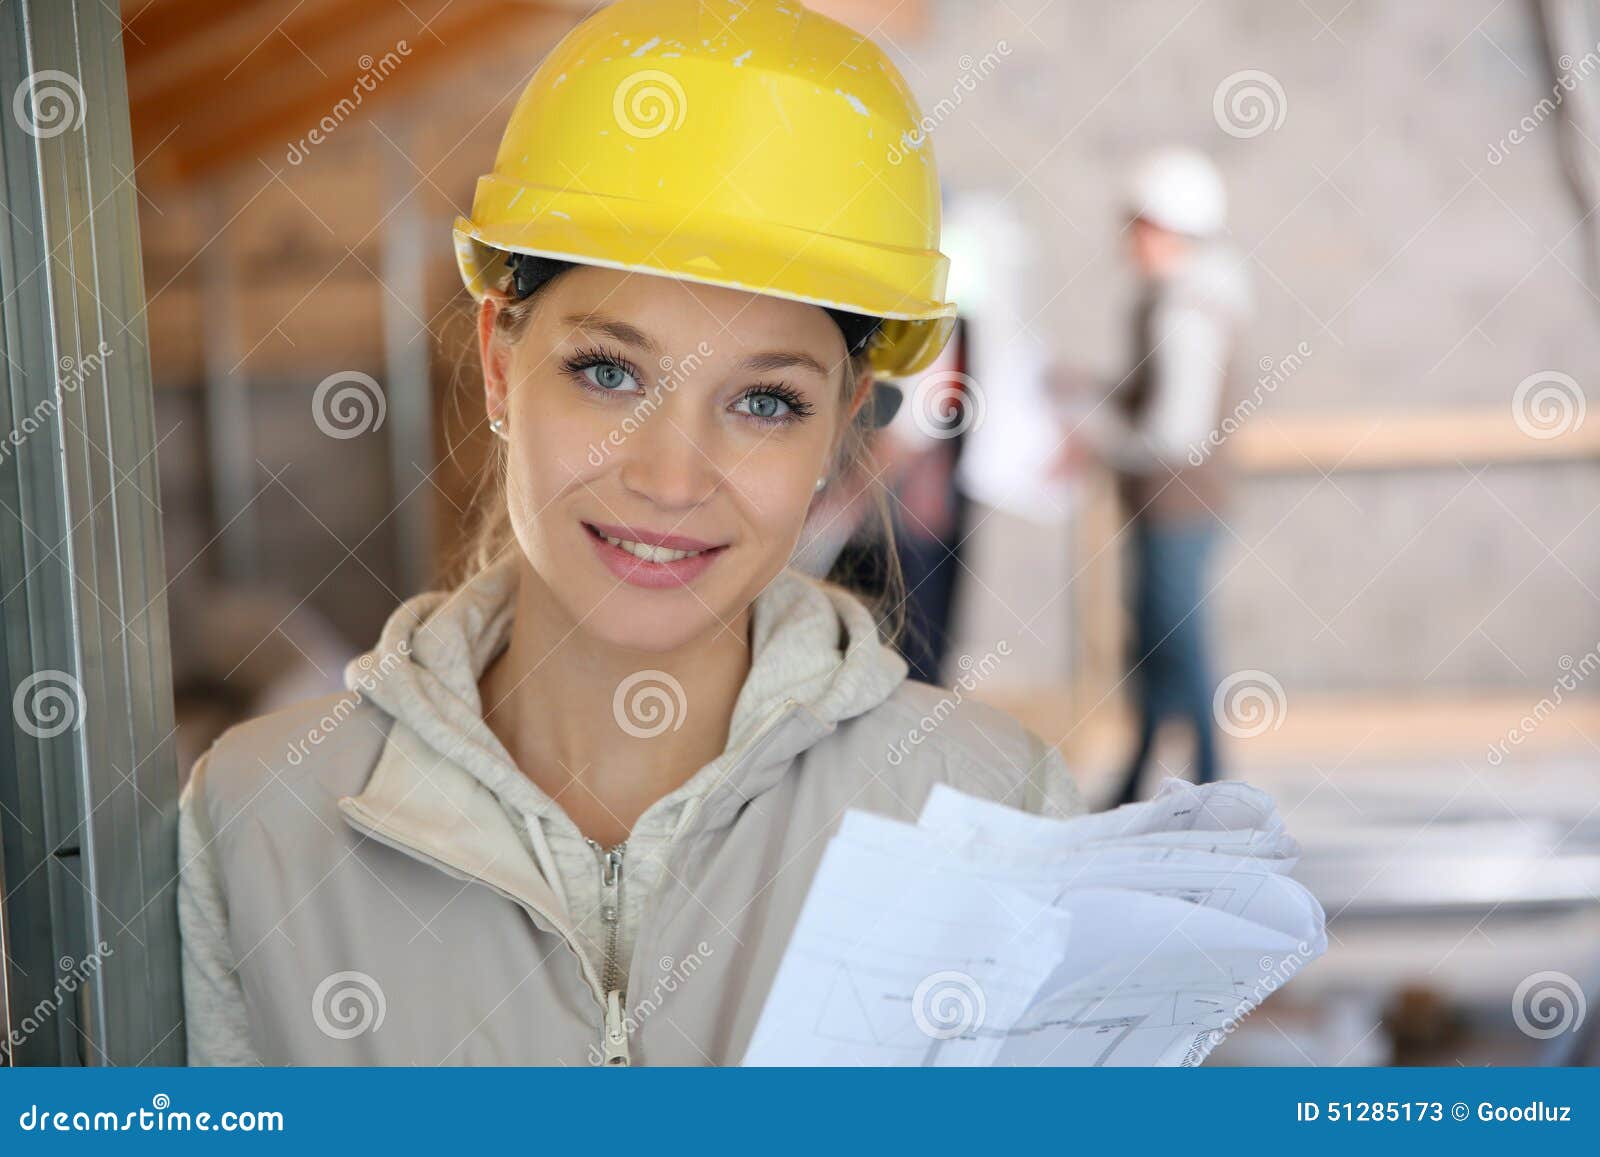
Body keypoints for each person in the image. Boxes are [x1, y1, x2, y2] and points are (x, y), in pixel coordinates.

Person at [176, 0, 1086, 1067]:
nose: (668, 477)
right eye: (610, 373)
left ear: (841, 425)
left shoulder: (990, 809)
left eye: (765, 402)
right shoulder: (257, 823)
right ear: (501, 361)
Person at [1067, 148, 1252, 807]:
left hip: (1179, 504)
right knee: (1156, 641)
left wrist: (1092, 434)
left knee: (1177, 641)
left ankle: (1211, 780)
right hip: (1168, 504)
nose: (1128, 240)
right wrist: (1094, 392)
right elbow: (1152, 397)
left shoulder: (1185, 309)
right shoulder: (1174, 298)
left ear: (1164, 227)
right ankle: (1142, 776)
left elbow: (1176, 431)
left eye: (1136, 225)